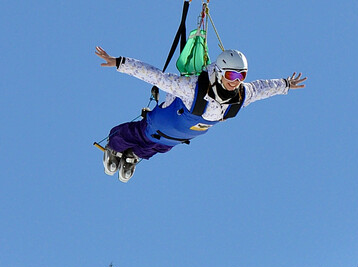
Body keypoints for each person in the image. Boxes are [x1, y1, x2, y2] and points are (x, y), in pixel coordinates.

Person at [95, 46, 306, 182]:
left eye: (241, 75)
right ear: (221, 72)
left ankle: (135, 157)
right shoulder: (193, 87)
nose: (236, 81)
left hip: (176, 138)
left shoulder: (241, 96)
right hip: (158, 124)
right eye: (232, 74)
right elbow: (155, 77)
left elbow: (262, 88)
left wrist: (285, 84)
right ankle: (114, 147)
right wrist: (120, 63)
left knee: (158, 148)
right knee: (133, 135)